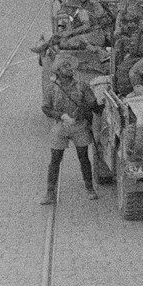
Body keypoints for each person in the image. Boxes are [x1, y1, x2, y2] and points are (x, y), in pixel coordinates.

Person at [40, 56, 100, 205]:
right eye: (65, 67)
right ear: (59, 71)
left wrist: (83, 111)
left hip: (79, 125)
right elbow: (45, 108)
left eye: (70, 66)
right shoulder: (51, 87)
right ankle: (50, 192)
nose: (69, 69)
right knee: (55, 159)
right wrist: (60, 115)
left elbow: (93, 104)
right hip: (61, 125)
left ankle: (90, 188)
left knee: (83, 157)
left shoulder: (82, 86)